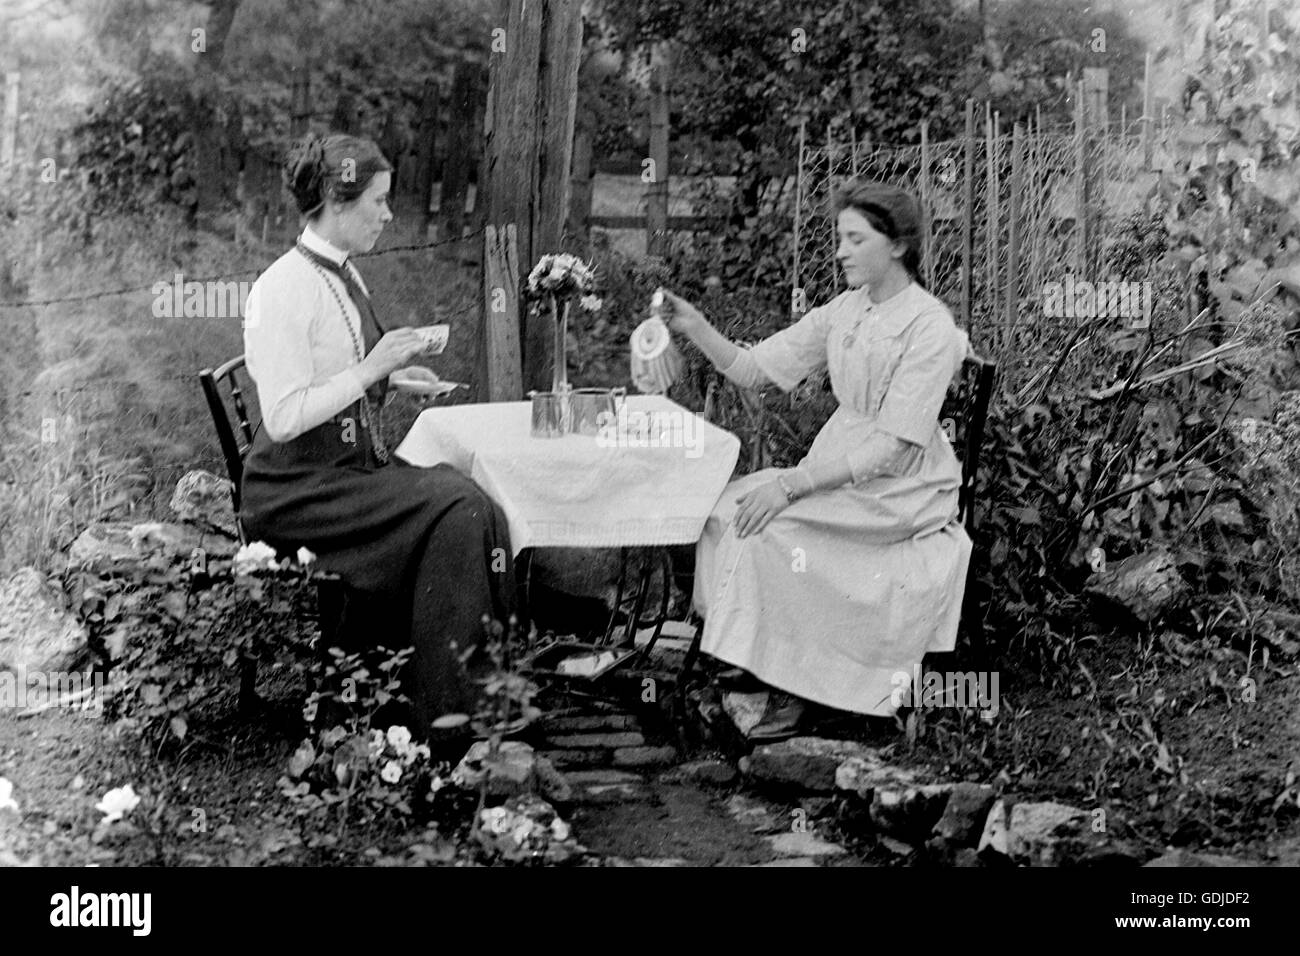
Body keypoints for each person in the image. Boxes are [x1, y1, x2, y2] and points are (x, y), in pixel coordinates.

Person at [661, 179, 972, 740]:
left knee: (771, 526)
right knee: (722, 510)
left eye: (855, 239)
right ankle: (750, 662)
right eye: (839, 238)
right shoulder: (846, 310)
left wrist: (791, 486)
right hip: (839, 465)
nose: (840, 251)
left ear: (898, 245)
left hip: (899, 489)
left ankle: (800, 683)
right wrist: (696, 327)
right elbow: (757, 369)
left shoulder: (930, 327)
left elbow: (895, 446)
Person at [238, 132, 517, 735]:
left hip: (346, 474)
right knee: (458, 512)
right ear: (339, 203)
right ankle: (448, 721)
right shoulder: (282, 288)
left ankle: (473, 696)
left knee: (477, 502)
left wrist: (393, 377)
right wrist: (369, 368)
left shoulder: (342, 273)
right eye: (378, 202)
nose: (389, 215)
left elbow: (337, 377)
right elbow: (285, 416)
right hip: (296, 491)